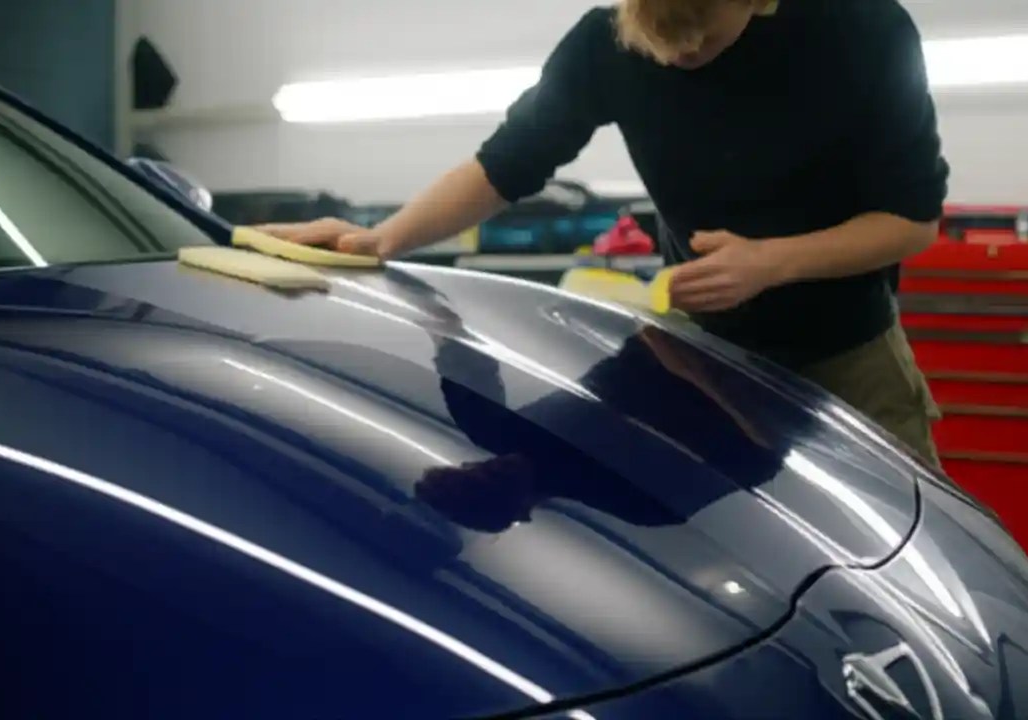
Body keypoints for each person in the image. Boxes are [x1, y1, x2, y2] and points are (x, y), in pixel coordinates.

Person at [258, 0, 948, 467]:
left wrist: (771, 263)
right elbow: (506, 164)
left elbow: (913, 221)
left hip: (848, 355)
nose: (680, 55)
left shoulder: (864, 30)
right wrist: (384, 240)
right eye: (658, 40)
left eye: (702, 37)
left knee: (915, 559)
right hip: (700, 354)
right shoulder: (607, 41)